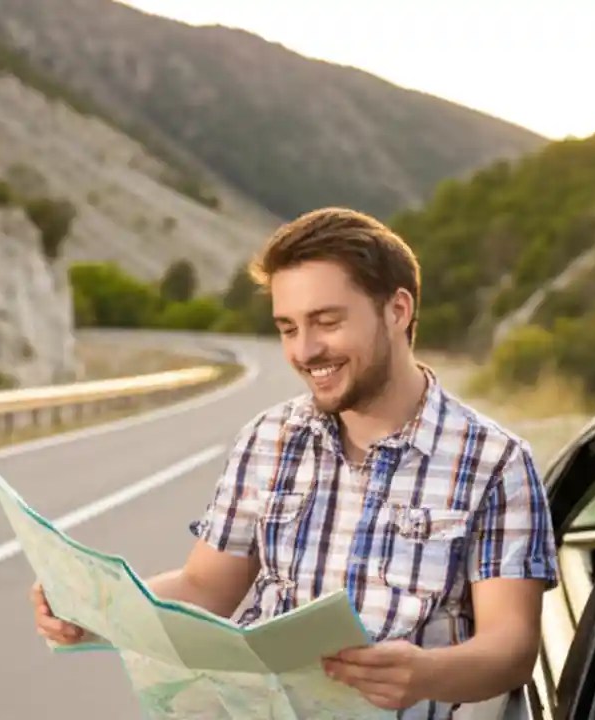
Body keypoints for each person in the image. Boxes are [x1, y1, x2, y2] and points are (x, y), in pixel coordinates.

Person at [32, 207, 559, 718]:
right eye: (287, 328)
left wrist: (424, 675)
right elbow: (204, 587)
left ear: (397, 311)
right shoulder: (269, 439)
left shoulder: (495, 462)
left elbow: (511, 647)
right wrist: (94, 609)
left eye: (325, 322)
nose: (305, 351)